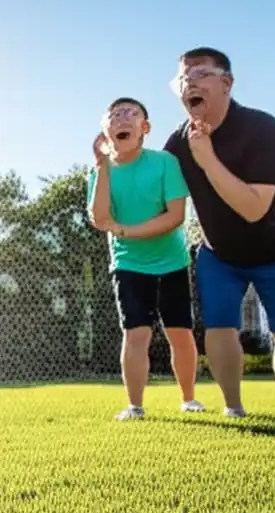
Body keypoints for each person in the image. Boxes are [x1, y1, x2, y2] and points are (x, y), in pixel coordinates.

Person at [163, 47, 275, 418]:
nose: (190, 84)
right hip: (219, 254)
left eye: (200, 74)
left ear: (227, 82)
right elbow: (156, 193)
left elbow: (253, 208)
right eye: (184, 78)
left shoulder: (263, 128)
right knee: (218, 327)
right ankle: (233, 406)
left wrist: (206, 158)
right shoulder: (176, 143)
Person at [87, 97, 204, 421]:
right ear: (105, 130)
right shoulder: (100, 171)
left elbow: (175, 216)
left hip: (172, 262)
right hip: (128, 265)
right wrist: (100, 166)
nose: (122, 119)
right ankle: (135, 406)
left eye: (131, 114)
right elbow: (99, 219)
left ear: (145, 128)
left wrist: (124, 230)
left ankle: (189, 399)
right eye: (114, 115)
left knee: (179, 333)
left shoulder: (164, 162)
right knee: (136, 333)